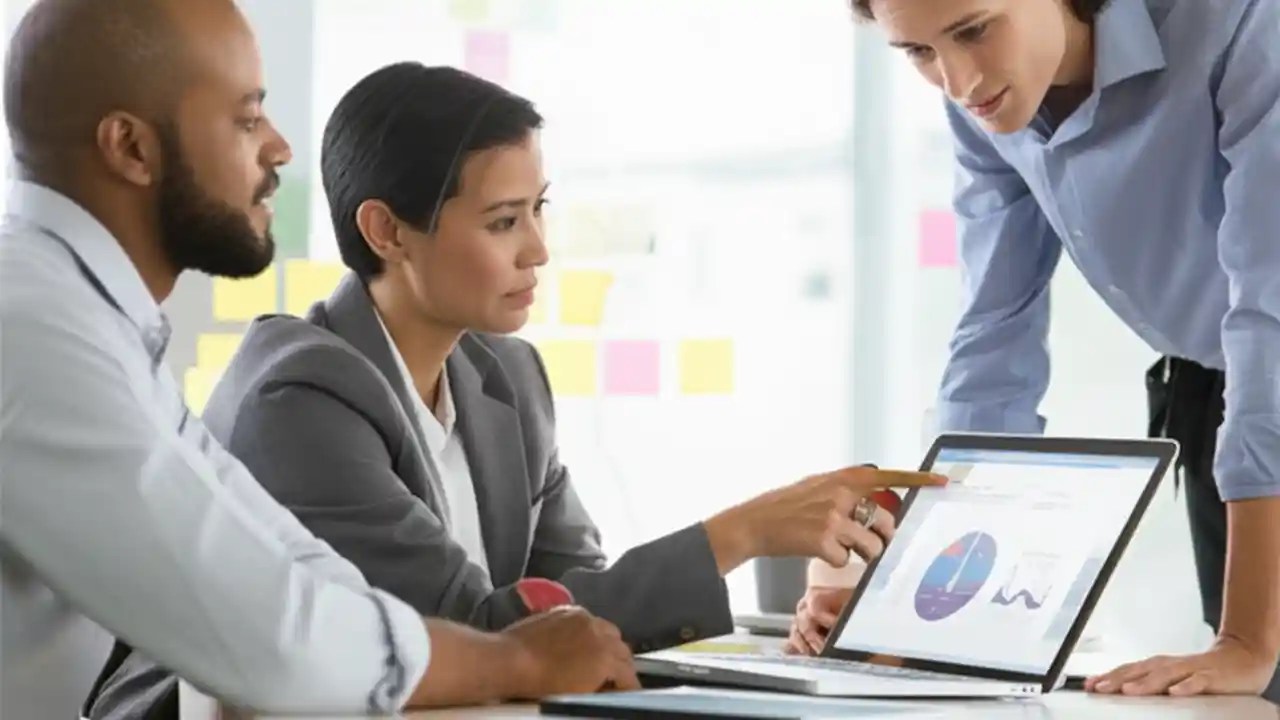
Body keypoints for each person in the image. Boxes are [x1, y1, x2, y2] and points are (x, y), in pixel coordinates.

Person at [89, 61, 948, 718]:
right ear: (387, 232)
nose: (537, 249)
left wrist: (801, 647)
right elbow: (475, 634)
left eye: (540, 208)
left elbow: (578, 615)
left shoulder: (507, 378)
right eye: (504, 221)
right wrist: (743, 533)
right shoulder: (299, 397)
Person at [0, 1, 645, 718]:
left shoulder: (84, 320)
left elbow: (293, 572)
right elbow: (276, 637)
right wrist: (518, 657)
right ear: (132, 148)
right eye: (246, 119)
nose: (278, 148)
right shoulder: (35, 334)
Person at [789, 0, 1280, 701]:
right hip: (1216, 387)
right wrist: (908, 607)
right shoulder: (985, 101)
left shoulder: (1240, 20)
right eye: (918, 53)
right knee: (1245, 701)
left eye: (974, 30)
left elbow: (1272, 317)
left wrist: (1249, 638)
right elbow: (992, 342)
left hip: (1267, 384)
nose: (958, 81)